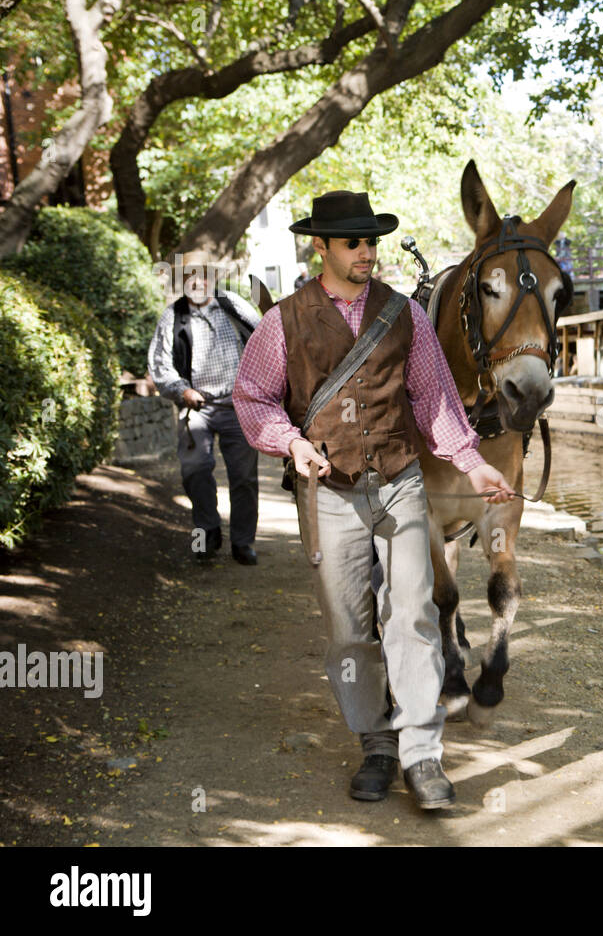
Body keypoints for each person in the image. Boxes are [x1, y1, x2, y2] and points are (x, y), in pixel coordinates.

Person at [232, 190, 514, 811]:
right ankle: (376, 743)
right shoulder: (284, 320)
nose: (367, 252)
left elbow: (436, 399)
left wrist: (473, 466)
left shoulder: (404, 316)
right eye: (354, 242)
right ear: (322, 247)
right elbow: (253, 397)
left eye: (372, 241)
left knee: (413, 615)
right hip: (331, 493)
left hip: (399, 481)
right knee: (348, 631)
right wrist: (290, 442)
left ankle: (421, 754)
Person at [147, 249, 263, 565]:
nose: (197, 280)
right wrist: (182, 389)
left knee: (244, 478)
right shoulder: (173, 316)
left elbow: (264, 341)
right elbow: (160, 365)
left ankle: (243, 543)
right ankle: (207, 534)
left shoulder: (234, 306)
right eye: (189, 275)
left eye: (203, 273)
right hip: (195, 408)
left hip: (237, 407)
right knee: (195, 471)